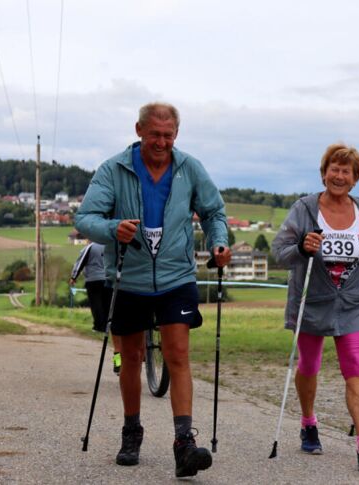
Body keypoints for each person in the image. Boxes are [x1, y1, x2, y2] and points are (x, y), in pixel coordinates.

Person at [75, 102, 231, 478]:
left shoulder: (189, 168)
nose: (161, 142)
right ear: (139, 130)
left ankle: (184, 443)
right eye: (154, 135)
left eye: (168, 135)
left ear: (176, 134)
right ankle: (132, 431)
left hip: (177, 276)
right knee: (131, 357)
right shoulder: (114, 169)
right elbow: (85, 218)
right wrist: (112, 229)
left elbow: (214, 212)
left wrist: (219, 242)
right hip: (129, 277)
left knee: (178, 355)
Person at [271, 143, 359, 472]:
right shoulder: (304, 209)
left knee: (356, 366)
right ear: (324, 173)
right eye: (334, 169)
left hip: (353, 304)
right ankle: (308, 422)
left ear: (356, 178)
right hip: (312, 301)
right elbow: (279, 252)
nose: (339, 176)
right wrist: (301, 247)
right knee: (309, 365)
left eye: (346, 171)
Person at [70, 241, 123, 375]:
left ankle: (100, 324)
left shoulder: (90, 247)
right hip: (111, 282)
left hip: (94, 280)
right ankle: (120, 360)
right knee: (111, 315)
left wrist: (73, 277)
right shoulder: (113, 245)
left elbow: (80, 262)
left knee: (98, 306)